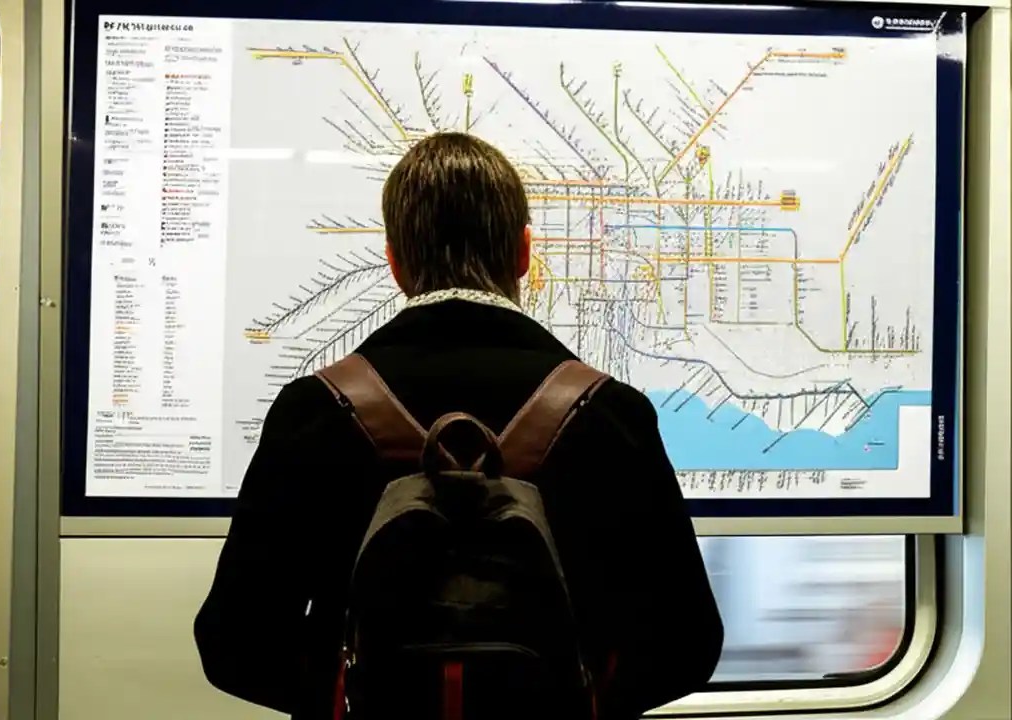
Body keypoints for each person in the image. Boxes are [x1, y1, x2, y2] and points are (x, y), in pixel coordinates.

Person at [195, 132, 723, 720]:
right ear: (525, 253)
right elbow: (687, 643)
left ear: (395, 263)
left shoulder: (314, 411)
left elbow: (232, 643)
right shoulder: (609, 414)